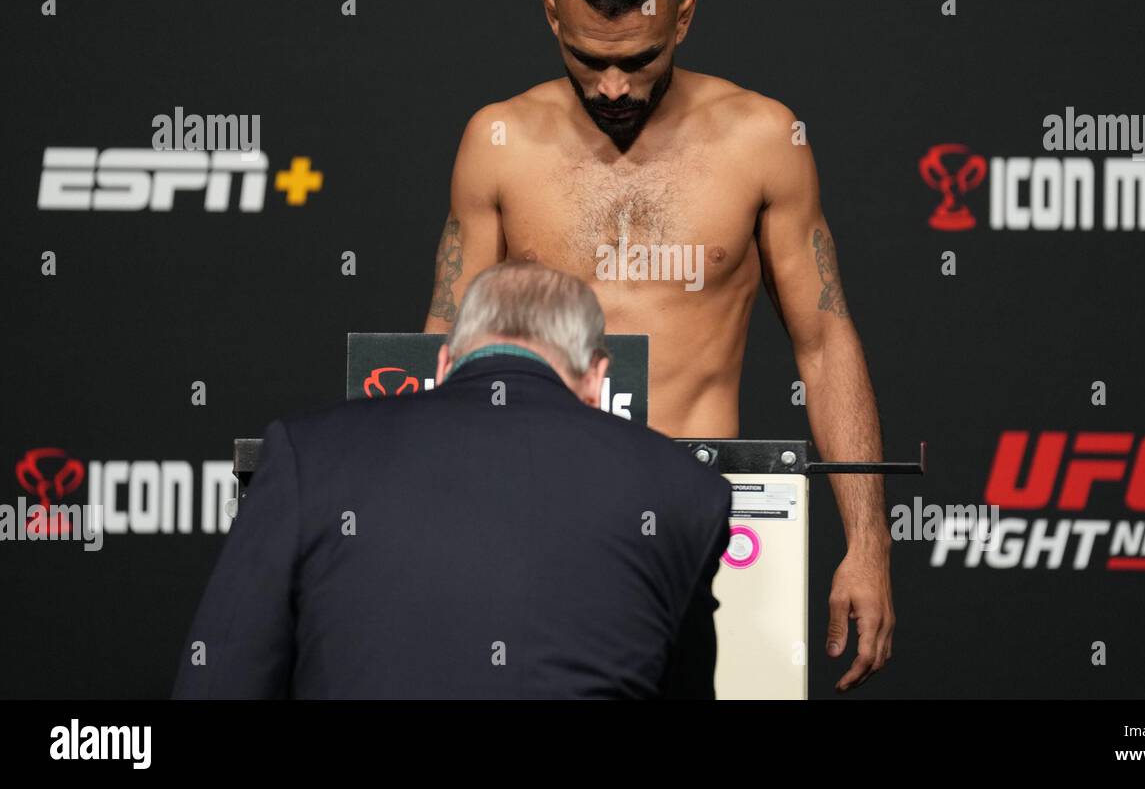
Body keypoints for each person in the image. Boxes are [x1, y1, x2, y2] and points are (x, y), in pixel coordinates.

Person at [423, 0, 892, 691]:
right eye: (586, 57)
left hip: (699, 520)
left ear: (682, 19)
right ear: (551, 18)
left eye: (637, 59)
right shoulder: (497, 141)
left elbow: (824, 341)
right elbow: (447, 345)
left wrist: (868, 543)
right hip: (537, 515)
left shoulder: (763, 139)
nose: (612, 86)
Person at [174, 261, 732, 698]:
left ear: (442, 365)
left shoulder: (308, 454)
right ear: (596, 379)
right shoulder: (684, 489)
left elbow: (220, 678)